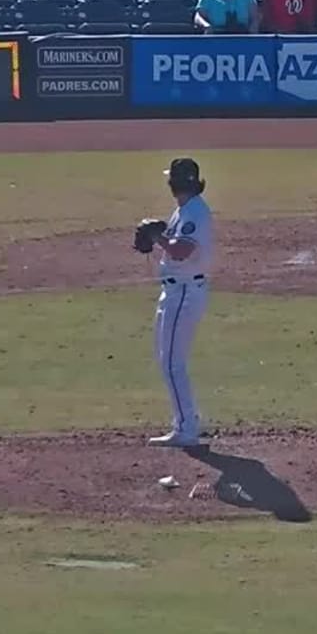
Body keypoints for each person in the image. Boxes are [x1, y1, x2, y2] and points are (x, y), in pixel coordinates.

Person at [139, 158, 215, 449]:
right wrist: (162, 236)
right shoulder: (185, 209)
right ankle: (188, 419)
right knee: (168, 360)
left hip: (184, 291)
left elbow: (182, 250)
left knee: (173, 363)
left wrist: (157, 237)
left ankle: (186, 429)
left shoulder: (195, 211)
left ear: (176, 182)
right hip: (176, 291)